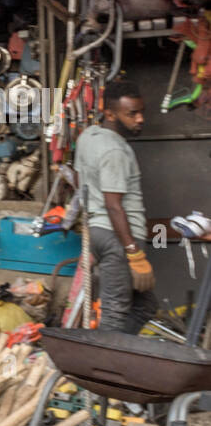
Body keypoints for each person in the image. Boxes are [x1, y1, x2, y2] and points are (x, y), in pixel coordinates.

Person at [75, 81, 158, 333]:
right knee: (114, 312)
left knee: (144, 306)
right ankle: (100, 368)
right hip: (118, 238)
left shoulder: (88, 136)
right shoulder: (115, 151)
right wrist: (134, 253)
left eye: (140, 111)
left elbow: (80, 182)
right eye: (131, 114)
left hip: (99, 233)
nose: (140, 119)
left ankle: (119, 355)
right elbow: (114, 206)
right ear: (110, 113)